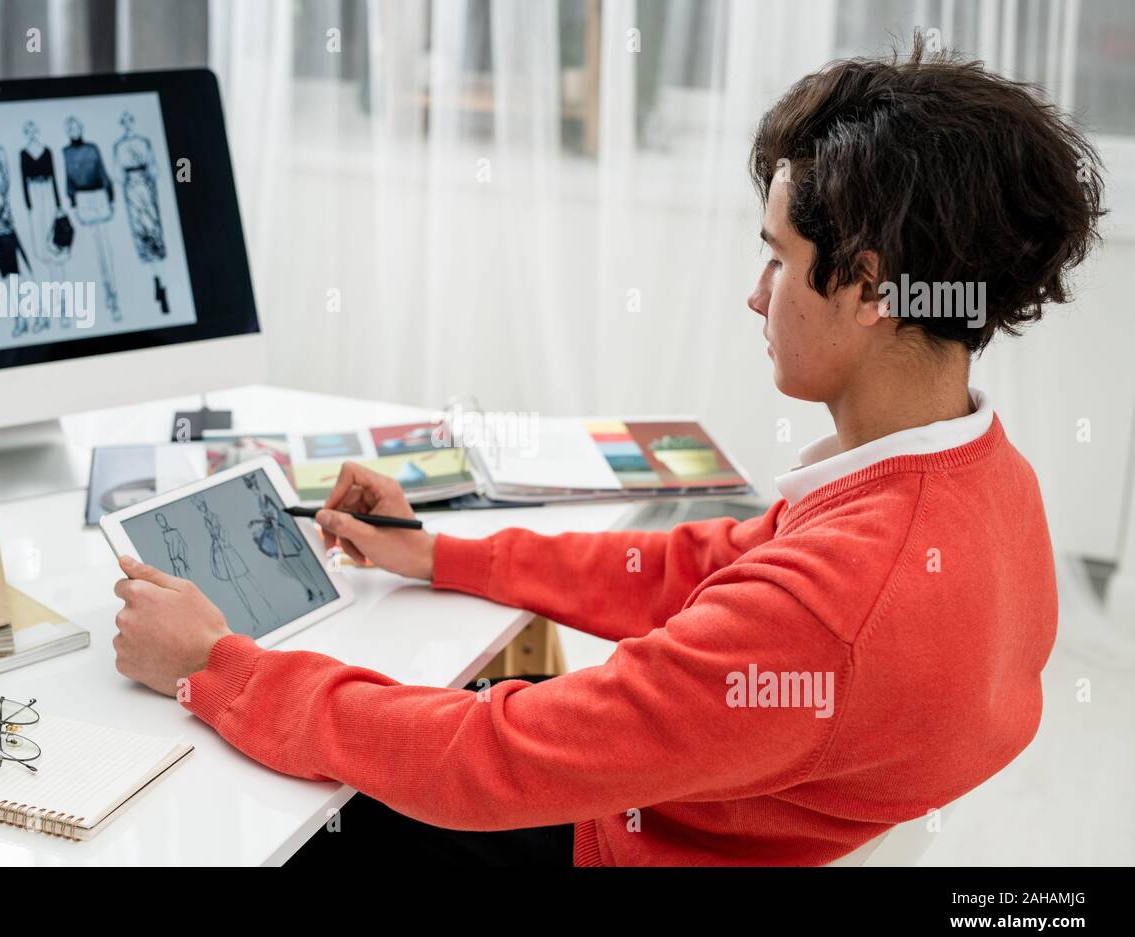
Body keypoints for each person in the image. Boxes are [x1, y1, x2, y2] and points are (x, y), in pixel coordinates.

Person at [110, 40, 1103, 866]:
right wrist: (442, 555)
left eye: (779, 257)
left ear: (871, 287)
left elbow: (484, 759)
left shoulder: (832, 608)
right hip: (739, 804)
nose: (757, 294)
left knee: (233, 803)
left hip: (617, 838)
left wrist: (215, 666)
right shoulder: (982, 476)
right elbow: (705, 568)